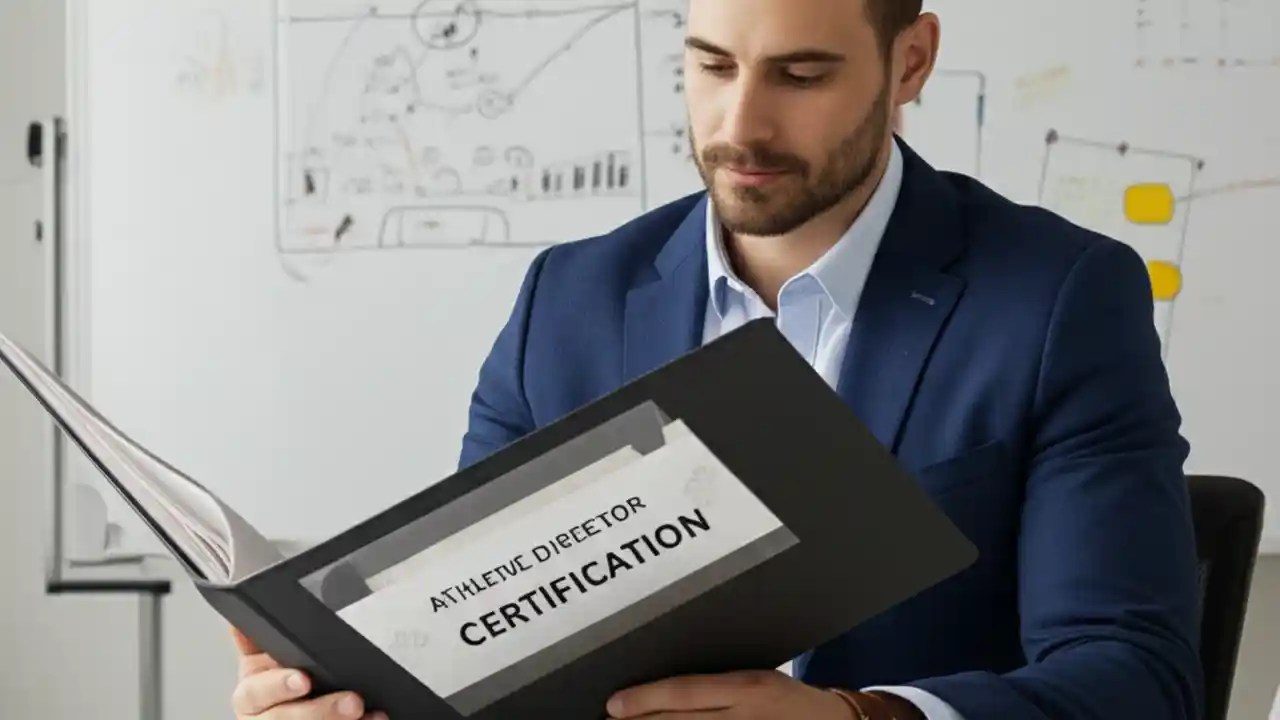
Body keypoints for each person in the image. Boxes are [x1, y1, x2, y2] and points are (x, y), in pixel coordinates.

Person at [230, 1, 1205, 718]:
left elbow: (1133, 680)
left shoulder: (1057, 300)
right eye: (709, 65)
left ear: (910, 61)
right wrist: (333, 697)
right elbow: (471, 649)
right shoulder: (565, 303)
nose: (738, 126)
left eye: (800, 75)